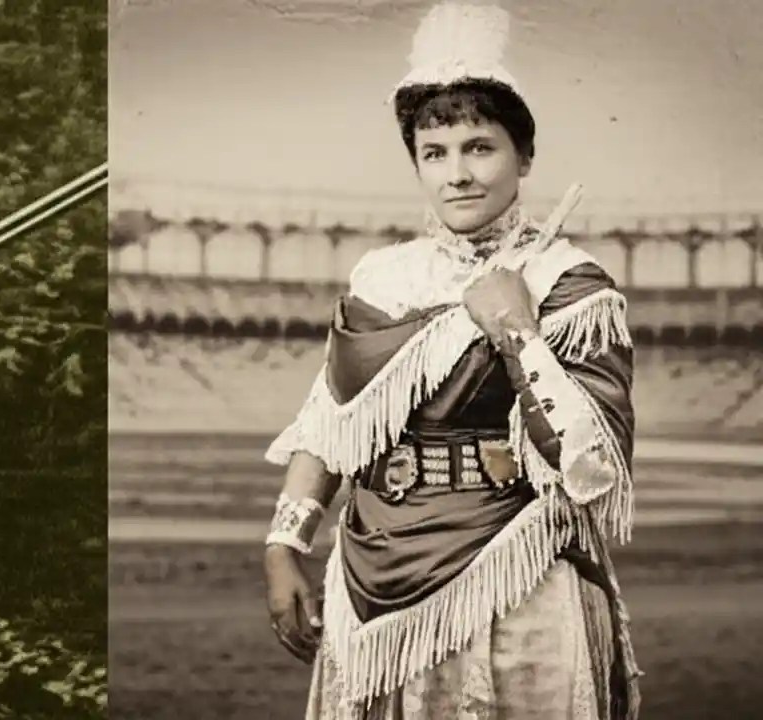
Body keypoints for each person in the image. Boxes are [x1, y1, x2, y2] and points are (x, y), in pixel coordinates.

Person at [261, 3, 641, 719]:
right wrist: (285, 541)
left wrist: (519, 331)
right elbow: (332, 422)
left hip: (519, 580)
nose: (458, 174)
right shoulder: (380, 277)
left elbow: (593, 471)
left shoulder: (570, 280)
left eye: (479, 147)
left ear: (523, 157)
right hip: (372, 587)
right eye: (434, 154)